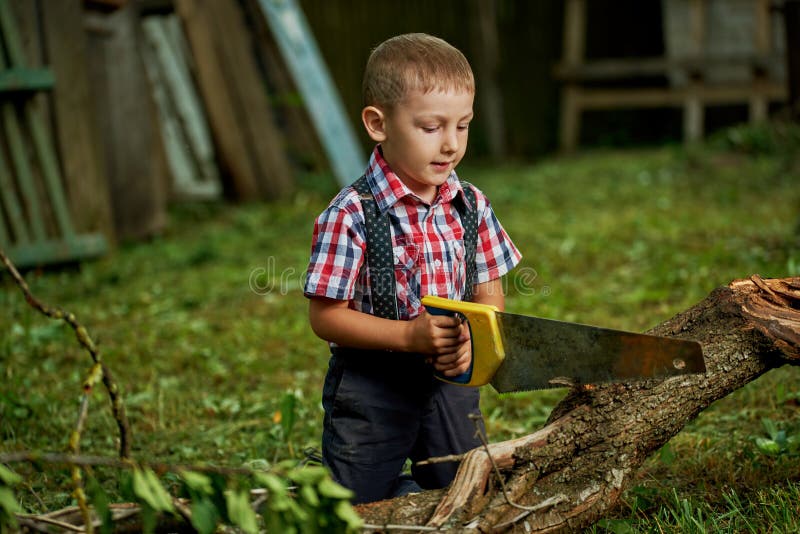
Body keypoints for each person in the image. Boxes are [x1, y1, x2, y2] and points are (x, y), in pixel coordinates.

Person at [303, 33, 521, 504]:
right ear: (378, 124)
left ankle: (422, 496)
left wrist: (474, 342)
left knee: (463, 490)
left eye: (462, 126)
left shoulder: (471, 206)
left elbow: (489, 291)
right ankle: (377, 493)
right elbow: (325, 317)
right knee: (356, 503)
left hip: (451, 380)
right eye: (431, 127)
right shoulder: (352, 213)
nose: (450, 145)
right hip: (371, 386)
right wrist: (408, 337)